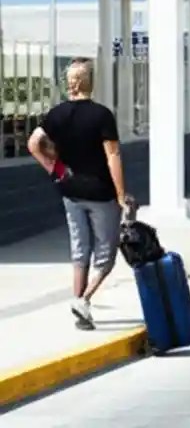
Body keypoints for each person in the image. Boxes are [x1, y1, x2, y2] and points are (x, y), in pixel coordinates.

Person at [27, 59, 131, 331]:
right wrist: (121, 195)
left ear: (69, 84)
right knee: (106, 254)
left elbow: (34, 143)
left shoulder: (56, 115)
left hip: (70, 190)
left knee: (79, 248)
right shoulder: (102, 115)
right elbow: (113, 155)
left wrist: (54, 169)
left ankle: (79, 309)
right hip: (101, 193)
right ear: (90, 83)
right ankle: (83, 300)